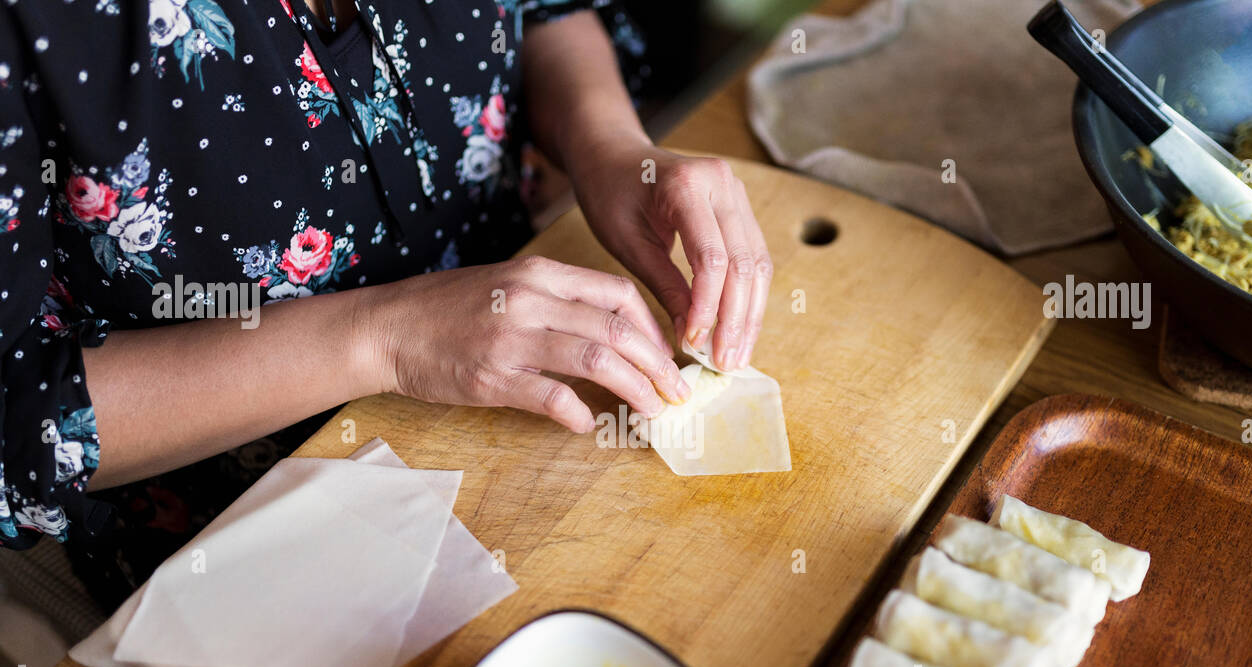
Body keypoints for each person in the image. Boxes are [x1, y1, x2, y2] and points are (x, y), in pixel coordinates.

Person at [0, 0, 772, 611]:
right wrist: (387, 339)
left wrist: (608, 147)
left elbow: (544, 11)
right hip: (245, 556)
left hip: (523, 429)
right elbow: (15, 423)